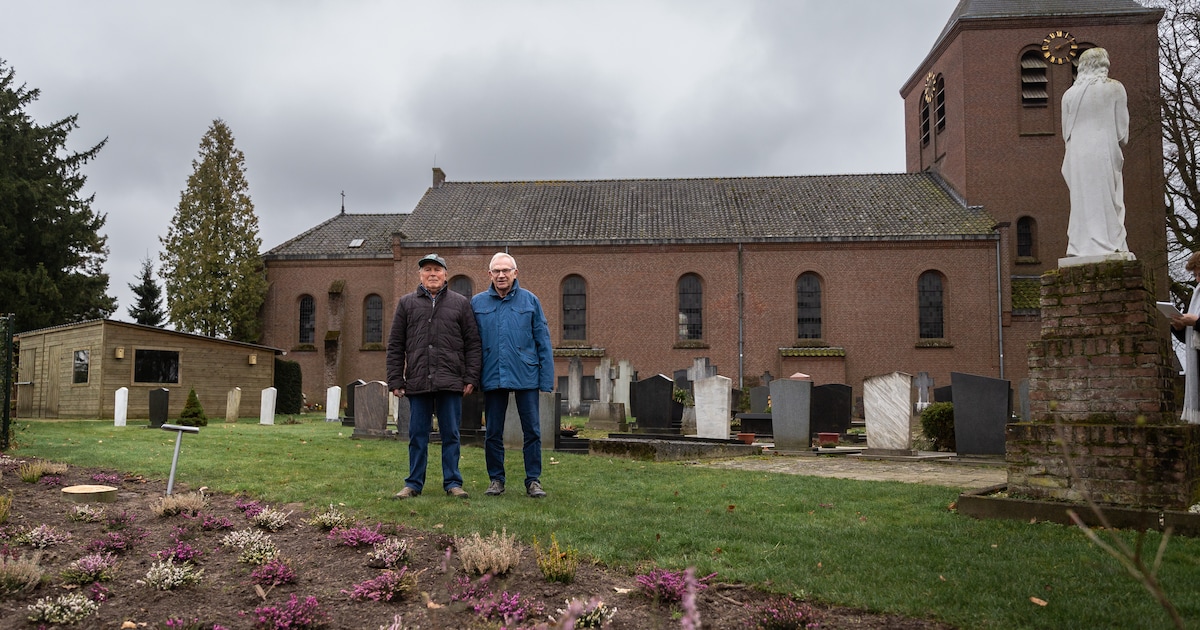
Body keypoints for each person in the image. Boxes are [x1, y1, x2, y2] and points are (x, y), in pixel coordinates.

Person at [386, 253, 481, 498]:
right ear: (420, 275)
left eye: (437, 270)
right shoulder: (406, 304)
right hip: (418, 381)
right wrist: (395, 379)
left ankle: (453, 483)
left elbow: (473, 343)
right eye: (427, 269)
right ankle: (413, 484)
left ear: (445, 275)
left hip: (451, 381)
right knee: (417, 436)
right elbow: (395, 345)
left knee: (451, 435)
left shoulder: (461, 303)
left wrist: (471, 378)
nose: (432, 274)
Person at [471, 252, 555, 498]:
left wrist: (546, 381)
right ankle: (496, 479)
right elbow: (471, 343)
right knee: (493, 432)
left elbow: (543, 340)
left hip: (525, 374)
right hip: (492, 373)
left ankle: (533, 480)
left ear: (515, 273)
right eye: (496, 271)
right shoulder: (477, 304)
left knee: (532, 431)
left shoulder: (530, 301)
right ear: (489, 274)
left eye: (506, 270)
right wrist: (472, 378)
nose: (501, 275)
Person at [1061, 47, 1130, 258]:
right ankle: (1109, 243)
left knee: (1081, 200)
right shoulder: (1115, 88)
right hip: (1103, 151)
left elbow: (1065, 133)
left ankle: (1080, 246)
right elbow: (1122, 134)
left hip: (1077, 155)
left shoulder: (1068, 96)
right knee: (1106, 198)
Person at [1170, 251, 1200, 424]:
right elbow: (1192, 340)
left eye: (1199, 274)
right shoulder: (1197, 296)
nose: (1197, 279)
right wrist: (1179, 327)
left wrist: (1196, 322)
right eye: (1195, 275)